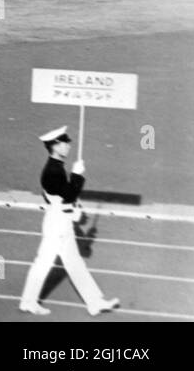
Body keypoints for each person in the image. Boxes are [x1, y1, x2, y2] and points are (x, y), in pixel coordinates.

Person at [18, 126, 120, 316]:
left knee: (74, 263)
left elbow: (59, 198)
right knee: (43, 263)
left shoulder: (56, 167)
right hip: (57, 224)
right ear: (55, 146)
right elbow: (70, 194)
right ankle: (28, 302)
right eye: (64, 143)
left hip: (61, 220)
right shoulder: (53, 171)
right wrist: (77, 175)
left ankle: (94, 302)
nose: (68, 146)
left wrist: (72, 210)